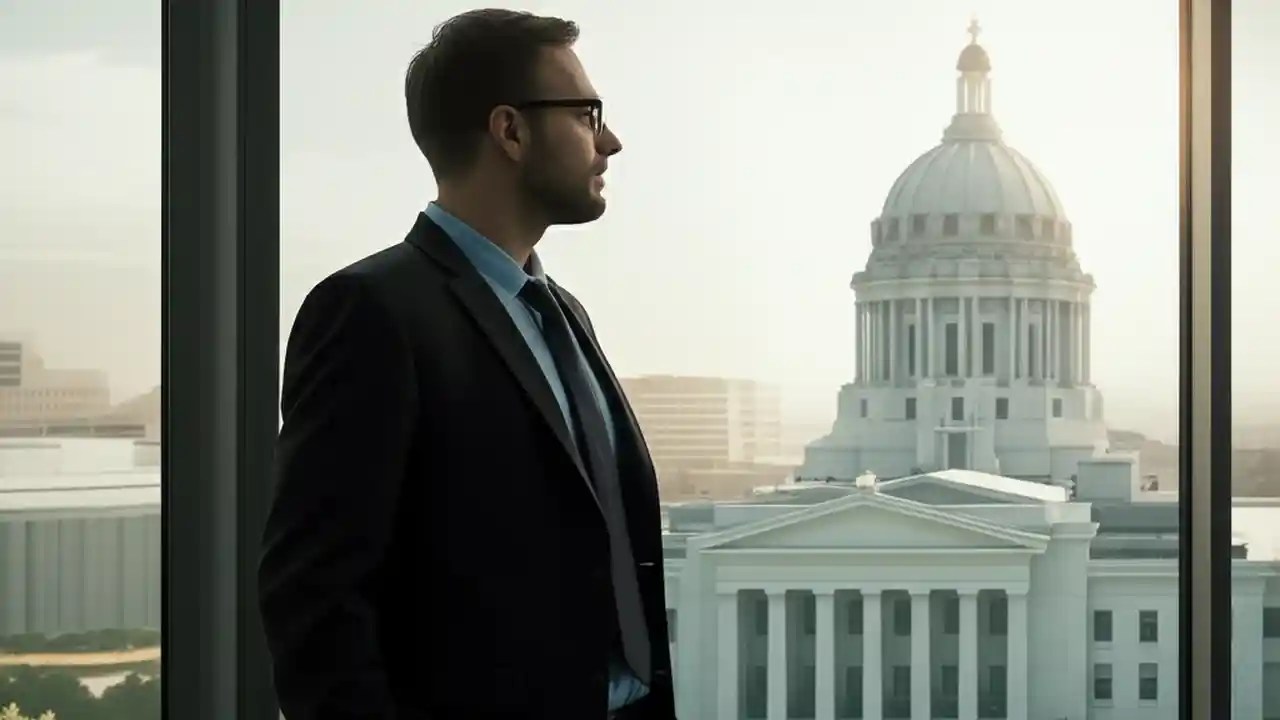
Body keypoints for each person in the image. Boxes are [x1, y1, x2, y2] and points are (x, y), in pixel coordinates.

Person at [257, 8, 676, 720]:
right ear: (509, 130)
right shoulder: (371, 311)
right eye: (586, 114)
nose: (611, 140)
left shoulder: (562, 311)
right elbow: (315, 601)